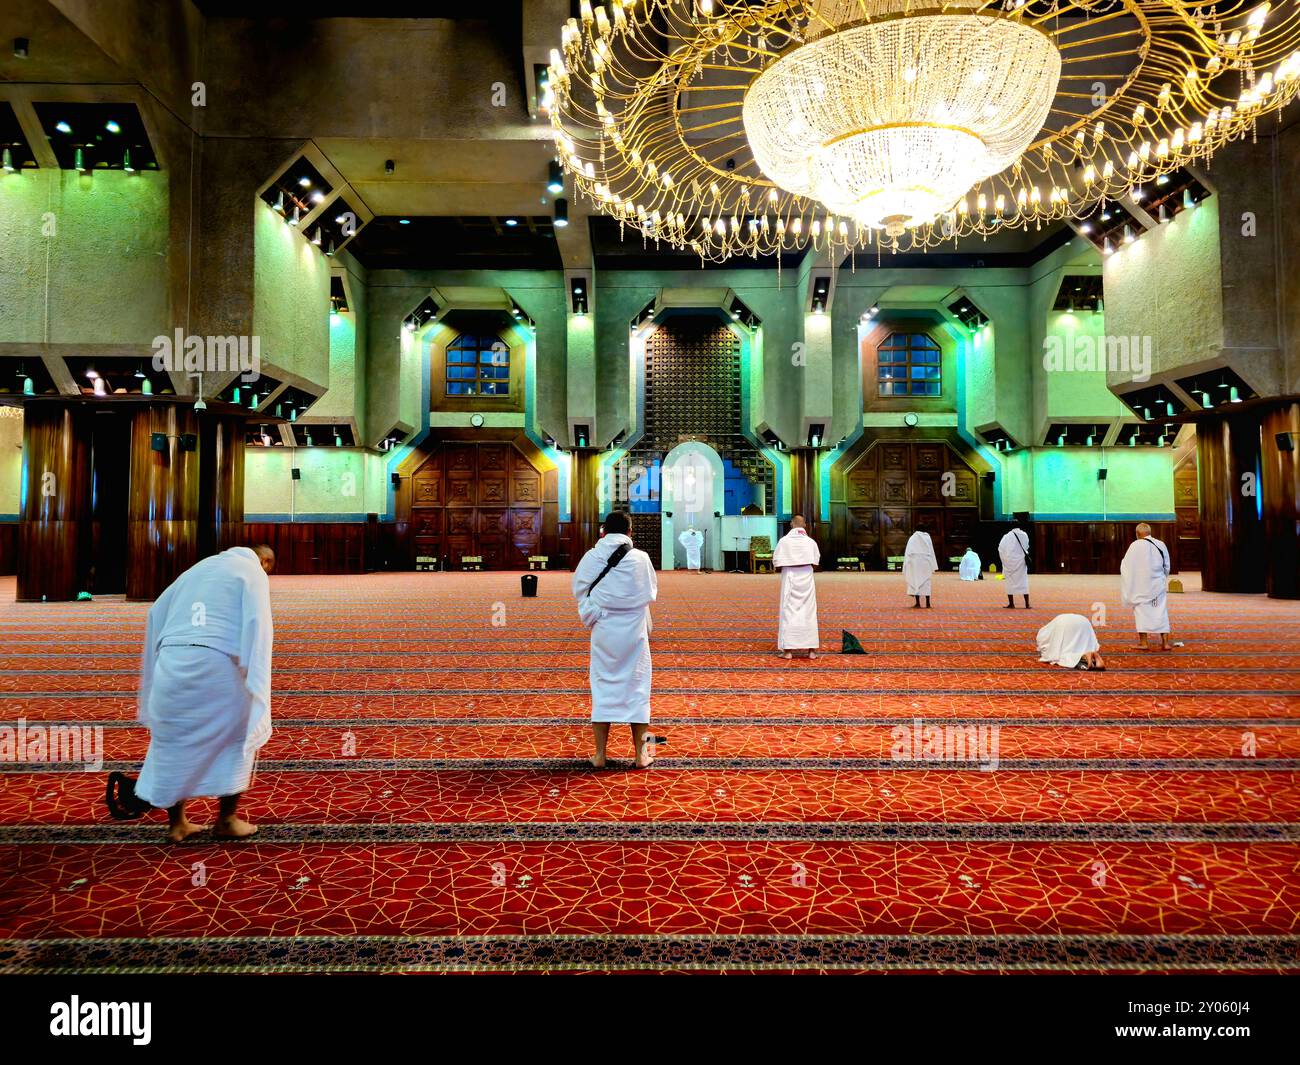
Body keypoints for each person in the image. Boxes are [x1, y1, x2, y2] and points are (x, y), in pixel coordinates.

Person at [105, 545, 276, 843]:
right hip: (217, 663)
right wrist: (255, 675)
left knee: (172, 741)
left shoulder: (195, 570)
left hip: (171, 661)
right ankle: (226, 819)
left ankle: (177, 824)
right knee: (237, 736)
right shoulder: (252, 572)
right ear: (264, 561)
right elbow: (258, 625)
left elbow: (156, 611)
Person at [572, 511, 659, 768]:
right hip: (634, 632)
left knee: (603, 686)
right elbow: (650, 593)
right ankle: (641, 755)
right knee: (638, 687)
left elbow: (579, 589)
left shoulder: (591, 556)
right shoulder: (641, 558)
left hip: (604, 630)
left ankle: (599, 755)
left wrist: (600, 608)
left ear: (603, 531)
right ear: (630, 532)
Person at [772, 516, 820, 659]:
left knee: (789, 611)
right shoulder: (811, 542)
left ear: (792, 524)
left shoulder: (784, 541)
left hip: (790, 576)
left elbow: (776, 562)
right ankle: (811, 651)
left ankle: (788, 652)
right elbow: (816, 562)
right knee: (809, 611)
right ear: (804, 525)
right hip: (806, 576)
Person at [1120, 522, 1173, 651]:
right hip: (1157, 585)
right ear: (1149, 532)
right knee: (1161, 611)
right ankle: (1165, 643)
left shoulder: (1134, 546)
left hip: (1141, 586)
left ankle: (1144, 643)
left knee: (1141, 613)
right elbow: (1167, 566)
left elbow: (1126, 566)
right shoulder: (1160, 544)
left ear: (1137, 534)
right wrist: (1161, 579)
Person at [1036, 613, 1106, 670]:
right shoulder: (1055, 622)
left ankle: (1084, 656)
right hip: (1084, 621)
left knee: (1063, 654)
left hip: (1064, 623)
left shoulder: (1044, 633)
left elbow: (1043, 642)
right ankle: (1091, 654)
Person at [998, 521, 1031, 608]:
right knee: (1023, 581)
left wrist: (1006, 560)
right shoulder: (1024, 535)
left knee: (1010, 582)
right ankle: (1027, 604)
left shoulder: (1006, 537)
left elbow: (1001, 549)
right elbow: (1026, 546)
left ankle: (1011, 604)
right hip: (1021, 563)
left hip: (1009, 563)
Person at [903, 529, 937, 608]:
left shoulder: (912, 538)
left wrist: (907, 563)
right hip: (925, 563)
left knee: (915, 581)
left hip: (915, 563)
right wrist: (933, 564)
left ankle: (918, 603)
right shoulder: (927, 537)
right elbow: (931, 551)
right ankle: (928, 603)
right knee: (926, 582)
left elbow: (908, 552)